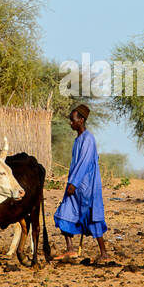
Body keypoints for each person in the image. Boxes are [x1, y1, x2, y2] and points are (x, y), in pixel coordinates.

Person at [53, 104, 111, 263]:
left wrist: (74, 183)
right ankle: (70, 249)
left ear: (82, 120)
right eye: (70, 120)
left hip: (86, 187)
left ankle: (103, 252)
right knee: (63, 212)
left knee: (92, 217)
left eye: (73, 120)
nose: (71, 123)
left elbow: (84, 163)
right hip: (74, 186)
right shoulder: (77, 140)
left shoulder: (88, 139)